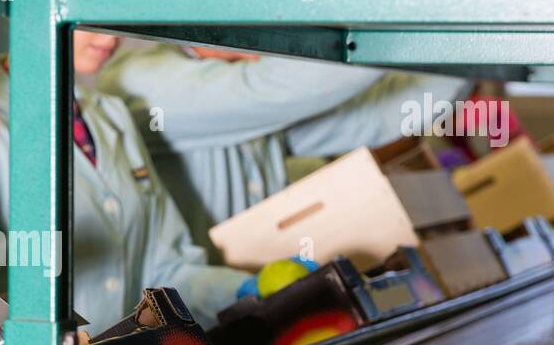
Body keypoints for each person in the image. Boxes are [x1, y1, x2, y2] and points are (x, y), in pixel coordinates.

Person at [0, 32, 250, 335]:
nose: (109, 38)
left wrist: (244, 290)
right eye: (87, 19)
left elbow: (168, 269)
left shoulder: (112, 114)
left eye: (113, 20)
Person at [97, 43, 471, 254]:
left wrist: (467, 43)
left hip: (259, 303)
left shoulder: (247, 90)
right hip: (193, 320)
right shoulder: (142, 80)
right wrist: (392, 21)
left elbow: (377, 117)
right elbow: (281, 90)